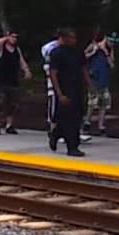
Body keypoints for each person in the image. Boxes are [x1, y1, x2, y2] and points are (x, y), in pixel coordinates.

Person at [48, 28, 91, 157]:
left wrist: (90, 85)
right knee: (69, 119)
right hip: (65, 88)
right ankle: (72, 147)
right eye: (71, 37)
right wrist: (59, 93)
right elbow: (53, 73)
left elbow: (83, 68)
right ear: (64, 38)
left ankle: (56, 133)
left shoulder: (78, 52)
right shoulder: (56, 53)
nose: (74, 40)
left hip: (78, 87)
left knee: (77, 116)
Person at [0, 32, 31, 135]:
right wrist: (6, 38)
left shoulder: (17, 49)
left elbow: (21, 61)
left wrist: (26, 70)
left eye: (16, 37)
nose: (15, 39)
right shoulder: (1, 47)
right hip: (0, 79)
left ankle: (9, 124)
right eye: (13, 37)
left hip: (13, 79)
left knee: (12, 103)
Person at [84, 31, 116, 136]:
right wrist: (94, 51)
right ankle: (87, 122)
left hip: (104, 80)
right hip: (94, 79)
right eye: (110, 41)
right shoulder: (93, 46)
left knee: (104, 103)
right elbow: (83, 57)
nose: (112, 43)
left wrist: (107, 53)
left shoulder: (109, 50)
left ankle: (101, 125)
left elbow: (112, 65)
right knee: (92, 103)